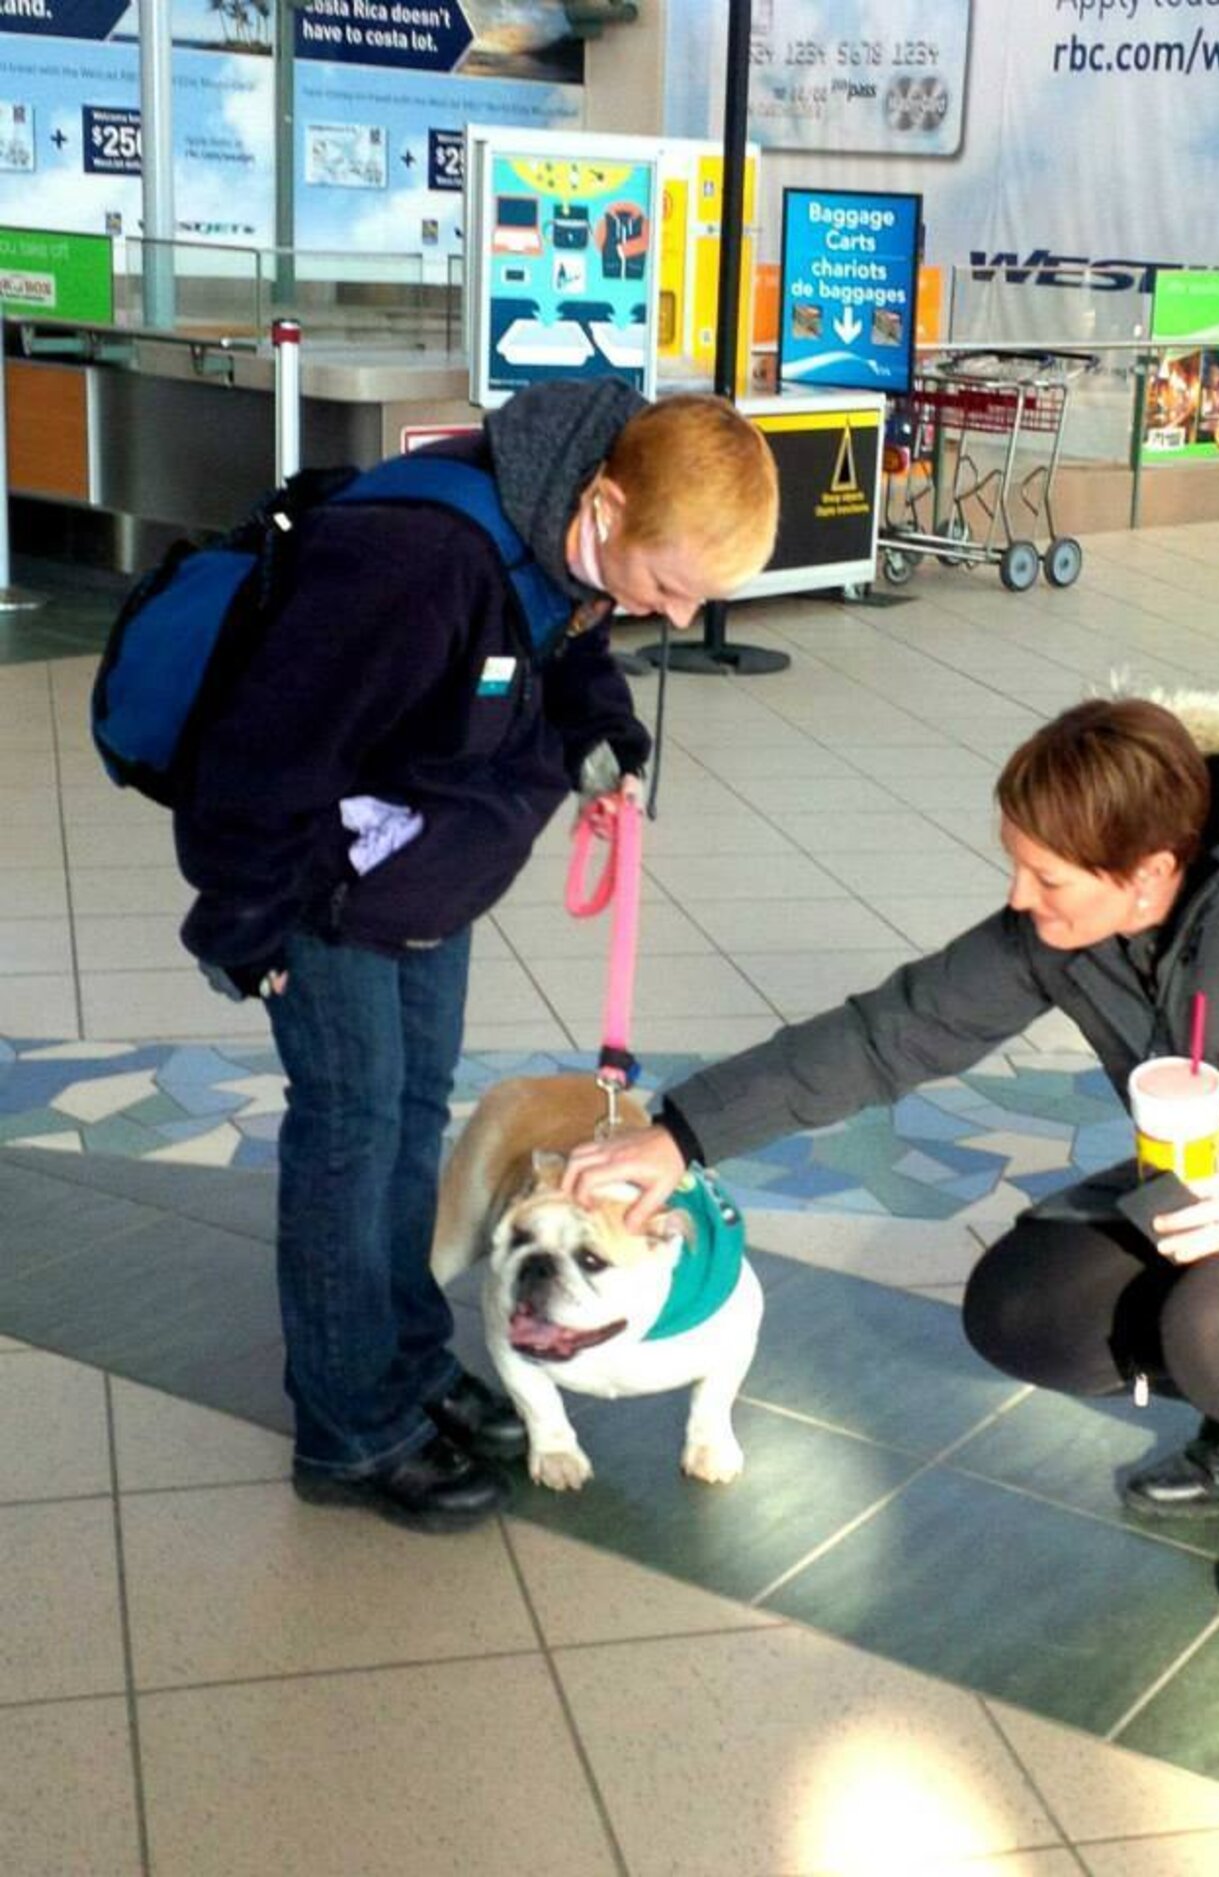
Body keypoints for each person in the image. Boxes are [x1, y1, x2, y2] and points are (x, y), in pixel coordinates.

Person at [564, 694, 1219, 1617]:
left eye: (1048, 877)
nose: (1020, 897)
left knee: (1216, 1325)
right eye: (1017, 864)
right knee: (1026, 1308)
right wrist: (679, 1133)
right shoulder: (1061, 931)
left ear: (1151, 871)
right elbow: (885, 1035)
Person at [174, 382, 779, 1532]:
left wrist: (606, 736)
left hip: (423, 888)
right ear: (604, 502)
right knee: (351, 1138)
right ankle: (351, 1430)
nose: (672, 612)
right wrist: (247, 926)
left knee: (409, 1124)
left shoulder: (575, 551)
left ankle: (404, 1357)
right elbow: (269, 742)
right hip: (324, 897)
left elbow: (567, 650)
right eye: (667, 584)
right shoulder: (419, 561)